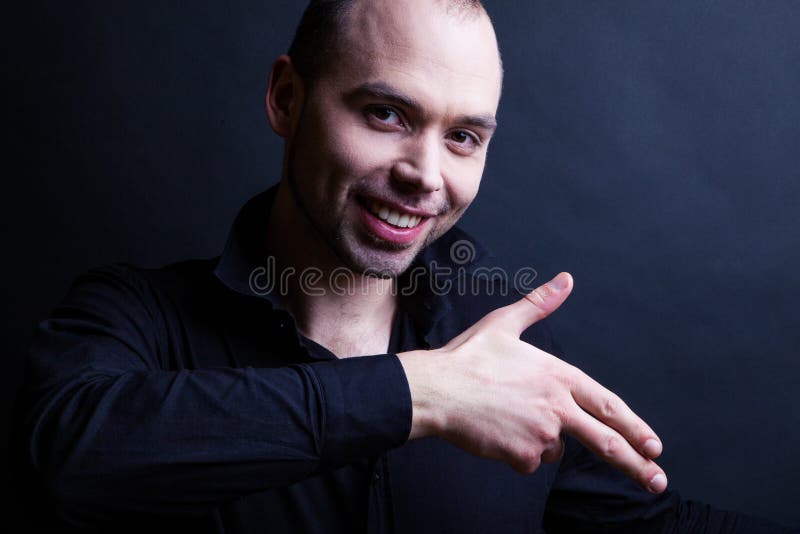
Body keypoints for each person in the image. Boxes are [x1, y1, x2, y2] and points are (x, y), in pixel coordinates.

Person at [13, 0, 794, 532]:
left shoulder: (503, 361)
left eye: (463, 137)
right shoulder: (134, 316)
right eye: (386, 114)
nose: (426, 174)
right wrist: (421, 393)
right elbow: (65, 463)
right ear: (286, 98)